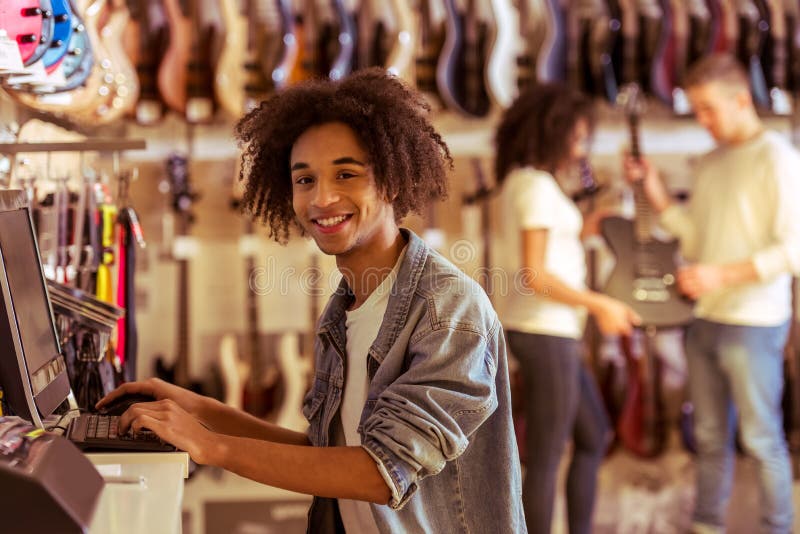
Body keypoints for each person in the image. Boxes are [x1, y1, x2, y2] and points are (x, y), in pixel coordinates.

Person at [97, 68, 526, 533]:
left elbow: (380, 472)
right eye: (304, 180)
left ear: (393, 180)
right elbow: (326, 458)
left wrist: (211, 446)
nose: (322, 197)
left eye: (346, 174)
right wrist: (200, 410)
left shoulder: (449, 309)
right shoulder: (346, 308)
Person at [624, 53, 800, 533]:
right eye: (695, 109)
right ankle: (706, 526)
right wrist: (654, 190)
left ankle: (777, 528)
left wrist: (720, 276)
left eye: (708, 109)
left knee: (762, 439)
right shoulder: (711, 162)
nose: (701, 121)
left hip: (756, 324)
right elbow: (697, 239)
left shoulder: (779, 159)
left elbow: (794, 250)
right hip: (704, 319)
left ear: (742, 99)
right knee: (707, 437)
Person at [494, 82, 640, 534]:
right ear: (551, 132)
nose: (580, 150)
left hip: (550, 330)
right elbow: (535, 274)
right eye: (576, 138)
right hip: (543, 330)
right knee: (546, 453)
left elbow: (553, 248)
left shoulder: (532, 184)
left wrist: (591, 221)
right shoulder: (534, 186)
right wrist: (599, 304)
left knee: (592, 435)